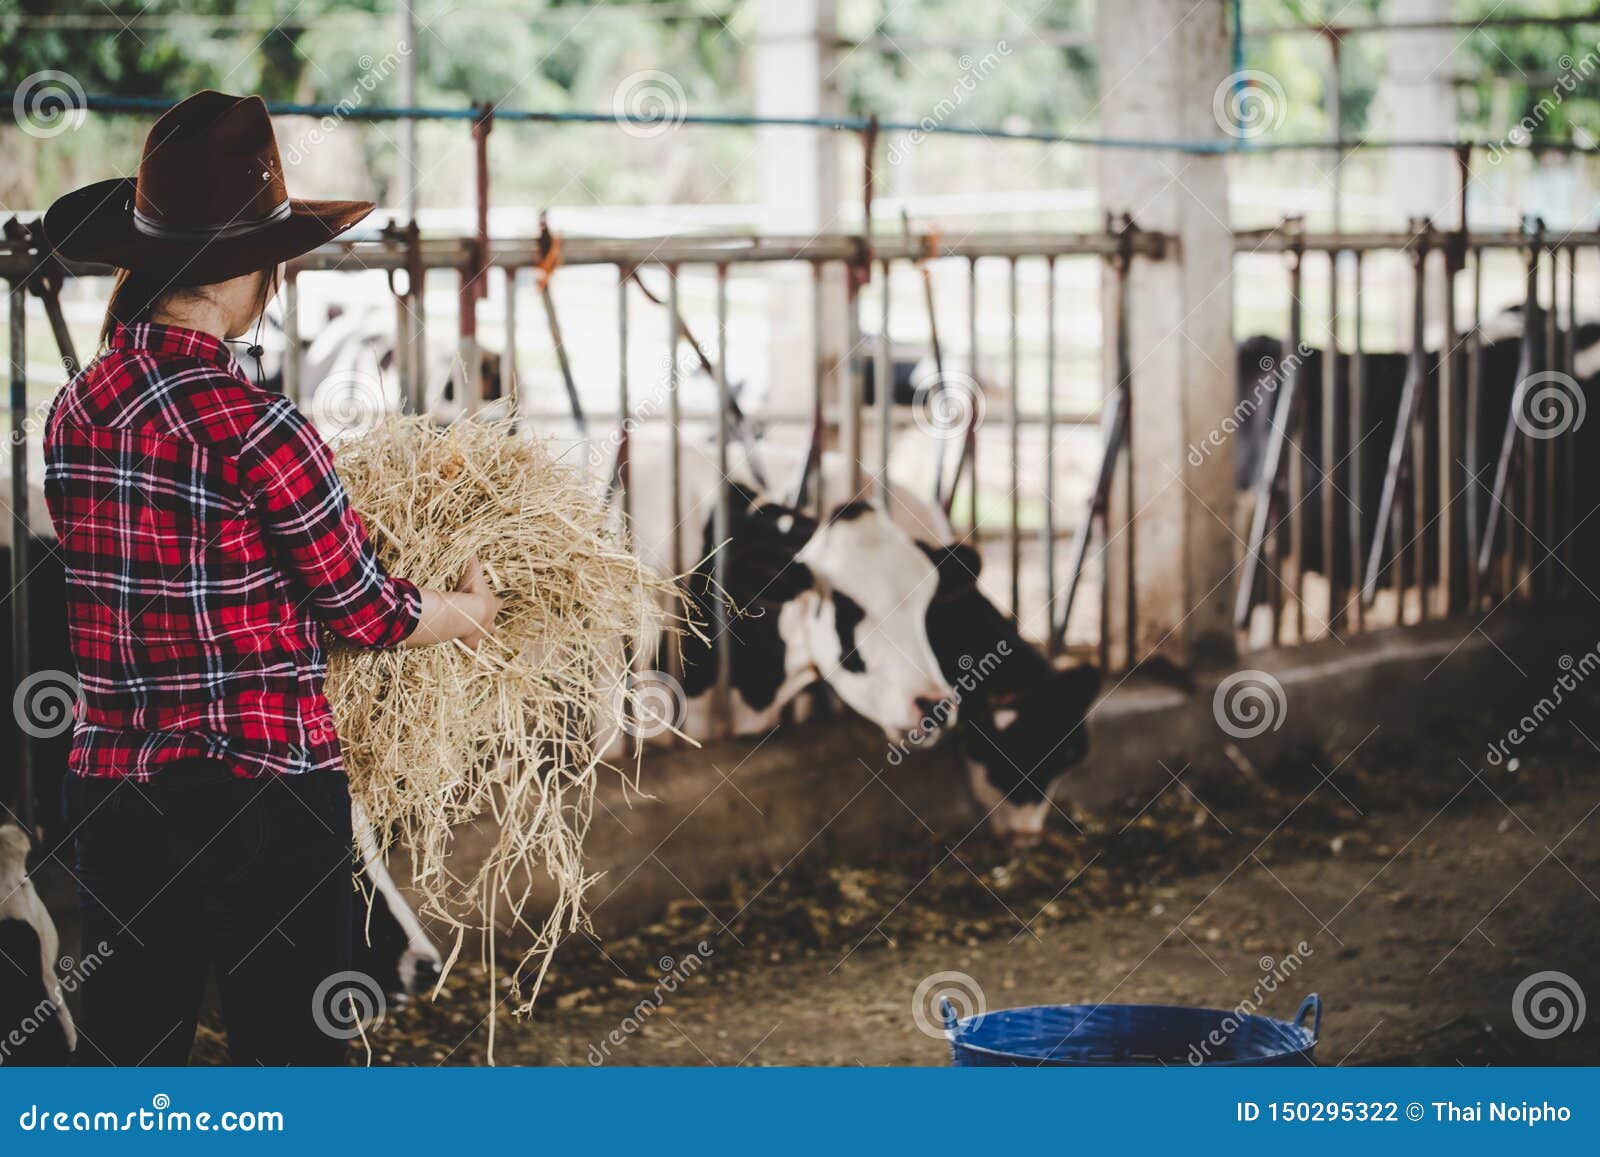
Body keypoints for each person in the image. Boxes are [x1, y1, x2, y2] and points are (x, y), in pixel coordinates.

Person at [39, 90, 500, 1065]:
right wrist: (464, 608)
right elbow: (365, 610)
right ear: (248, 268)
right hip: (261, 792)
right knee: (292, 1050)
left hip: (119, 789)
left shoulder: (75, 409)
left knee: (132, 1048)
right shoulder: (261, 427)